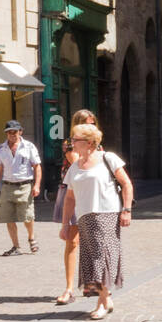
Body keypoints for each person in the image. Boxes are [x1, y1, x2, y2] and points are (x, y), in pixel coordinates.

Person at [60, 123, 133, 320]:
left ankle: (103, 301)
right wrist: (65, 223)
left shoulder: (108, 159)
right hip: (85, 217)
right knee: (92, 259)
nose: (71, 143)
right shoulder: (74, 167)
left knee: (103, 256)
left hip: (106, 214)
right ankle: (105, 299)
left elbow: (126, 184)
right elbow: (69, 198)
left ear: (90, 143)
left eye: (75, 140)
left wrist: (126, 210)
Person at [55, 108, 99, 305]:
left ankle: (91, 283)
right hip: (74, 192)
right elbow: (79, 164)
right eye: (87, 123)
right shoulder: (70, 144)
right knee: (72, 241)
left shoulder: (98, 144)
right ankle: (69, 288)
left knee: (93, 241)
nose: (91, 126)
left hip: (93, 194)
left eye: (93, 123)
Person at [0, 119, 42, 256]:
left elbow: (37, 166)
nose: (12, 134)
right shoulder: (1, 149)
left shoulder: (29, 147)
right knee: (8, 218)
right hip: (7, 186)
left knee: (27, 217)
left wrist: (36, 185)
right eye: (9, 132)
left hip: (25, 185)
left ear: (20, 131)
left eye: (15, 132)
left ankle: (31, 237)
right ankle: (16, 246)